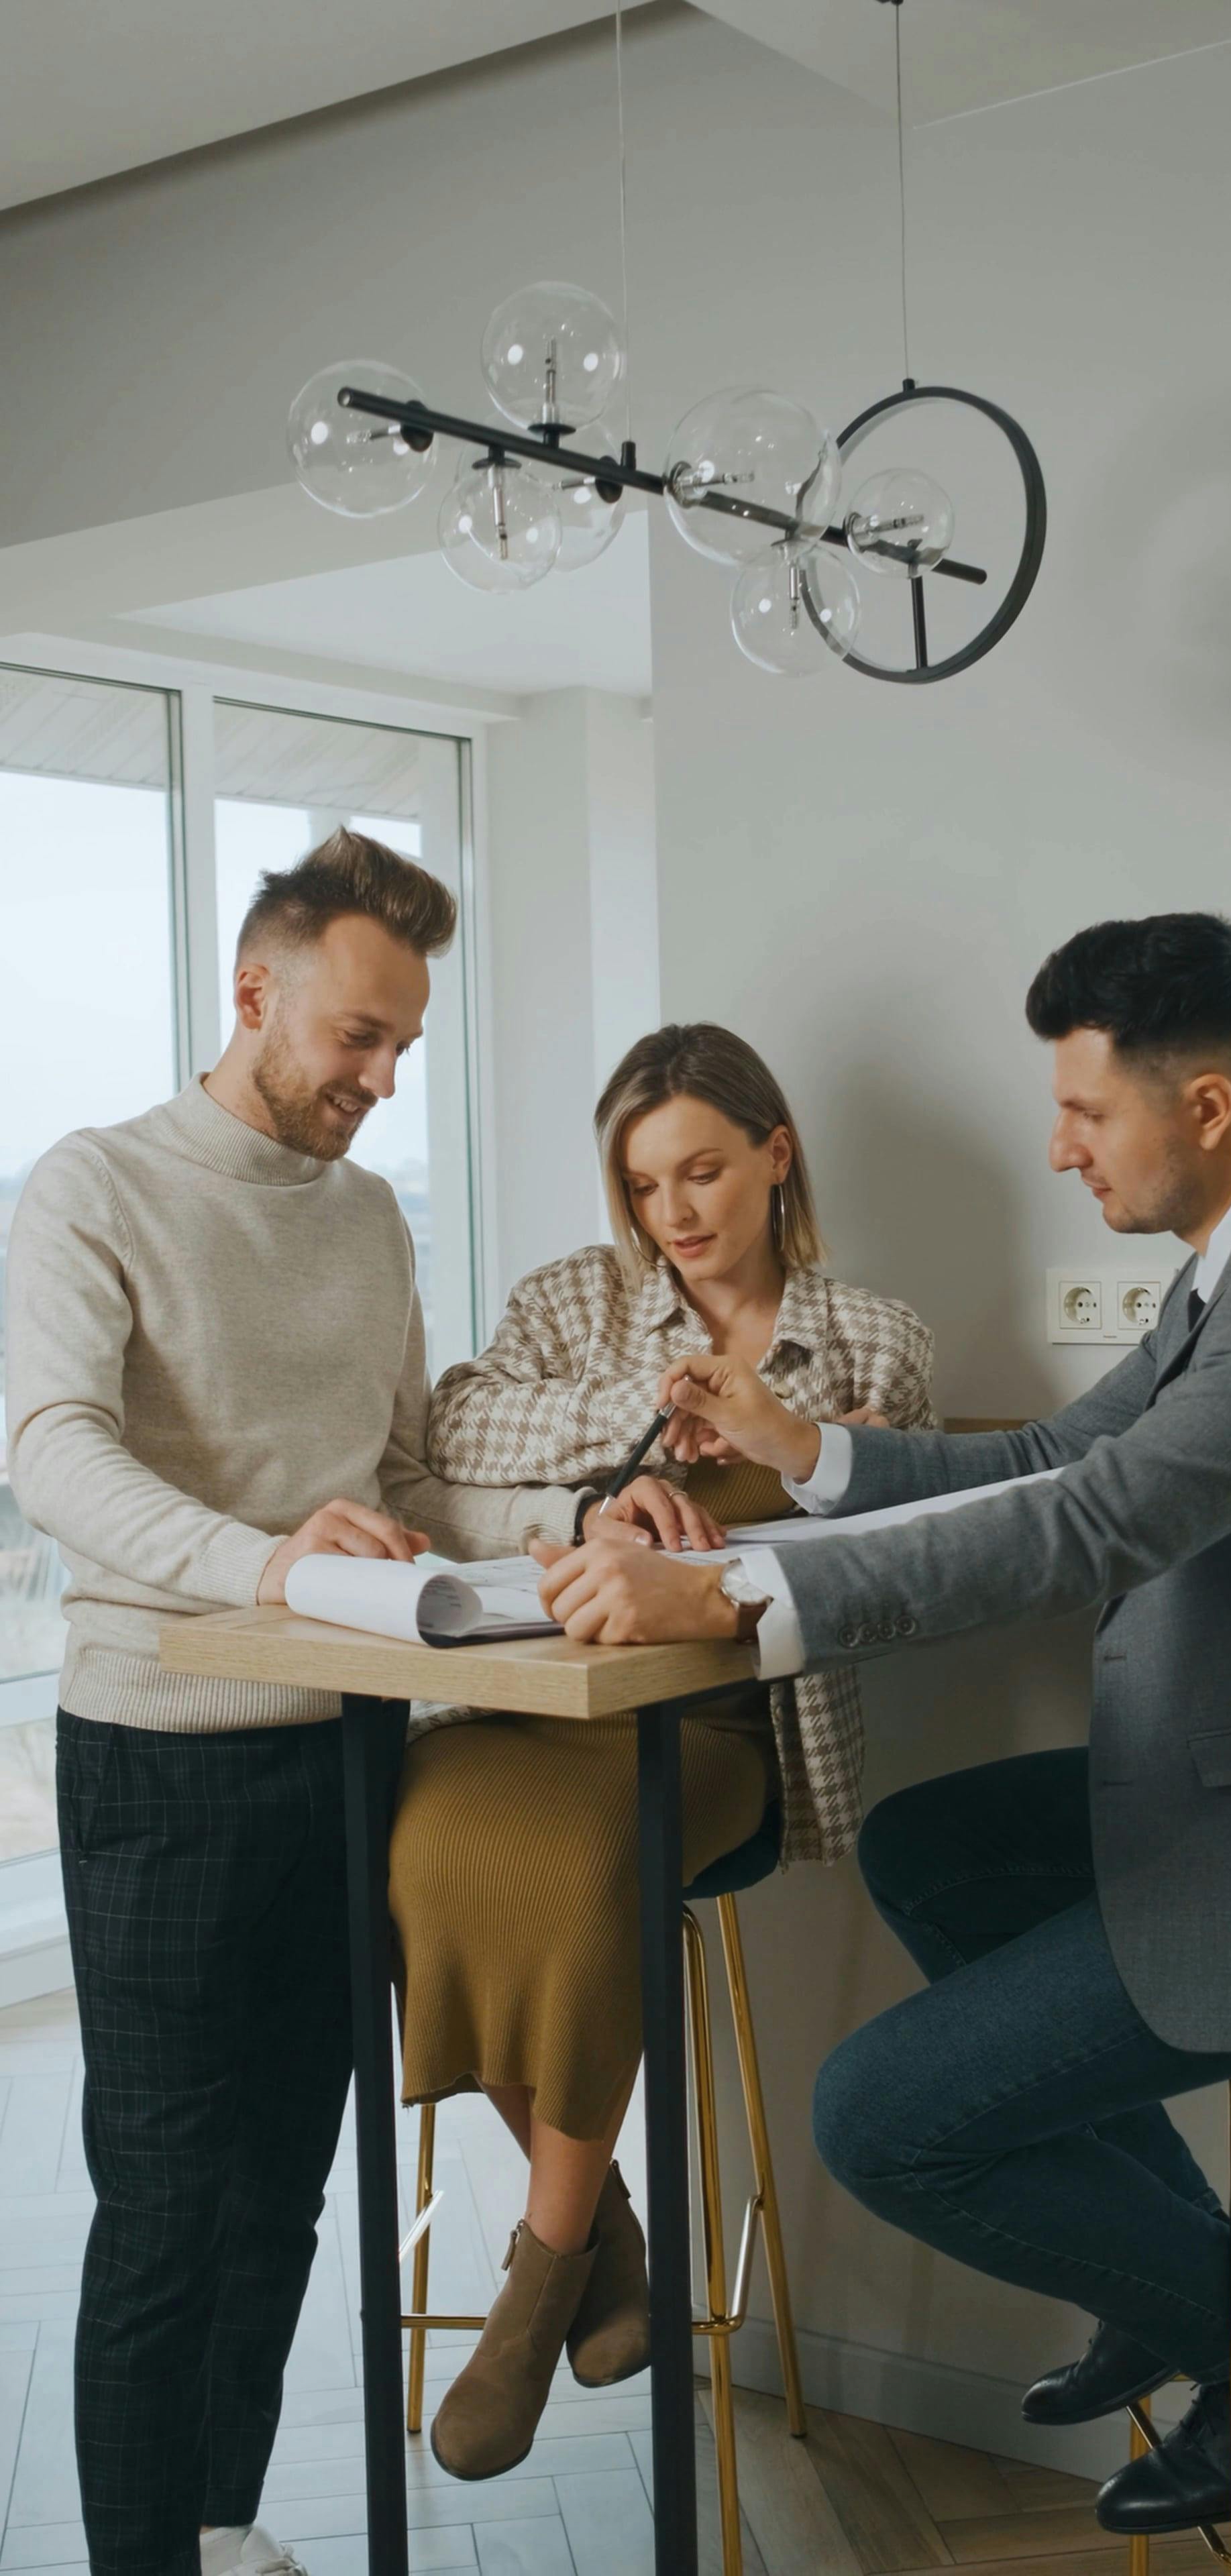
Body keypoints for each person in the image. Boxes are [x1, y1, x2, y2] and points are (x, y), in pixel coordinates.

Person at [531, 914, 1231, 2536]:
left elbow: (1096, 1526)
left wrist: (740, 1601)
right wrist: (803, 1447)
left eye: (1087, 1114)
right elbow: (1049, 1458)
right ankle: (1182, 2294)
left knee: (879, 2118)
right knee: (934, 1843)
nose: (1060, 1146)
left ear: (1209, 1108)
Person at [3, 834, 590, 2576]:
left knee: (281, 2202)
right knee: (170, 2216)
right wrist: (273, 1567)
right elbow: (49, 1455)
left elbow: (406, 1476)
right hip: (162, 1758)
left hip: (353, 1754)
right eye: (356, 1037)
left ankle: (215, 2532)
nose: (381, 1078)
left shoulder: (367, 1215)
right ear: (254, 992)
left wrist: (585, 1523)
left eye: (405, 1045)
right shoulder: (94, 1190)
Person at [388, 1019, 934, 2481]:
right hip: (530, 1705)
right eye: (643, 1187)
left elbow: (900, 1575)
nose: (675, 1214)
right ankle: (603, 2234)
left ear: (776, 1151)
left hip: (717, 1729)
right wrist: (641, 1439)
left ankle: (531, 2287)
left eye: (702, 1172)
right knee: (413, 1850)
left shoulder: (873, 1335)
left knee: (581, 1868)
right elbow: (454, 1431)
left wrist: (802, 1446)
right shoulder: (576, 1304)